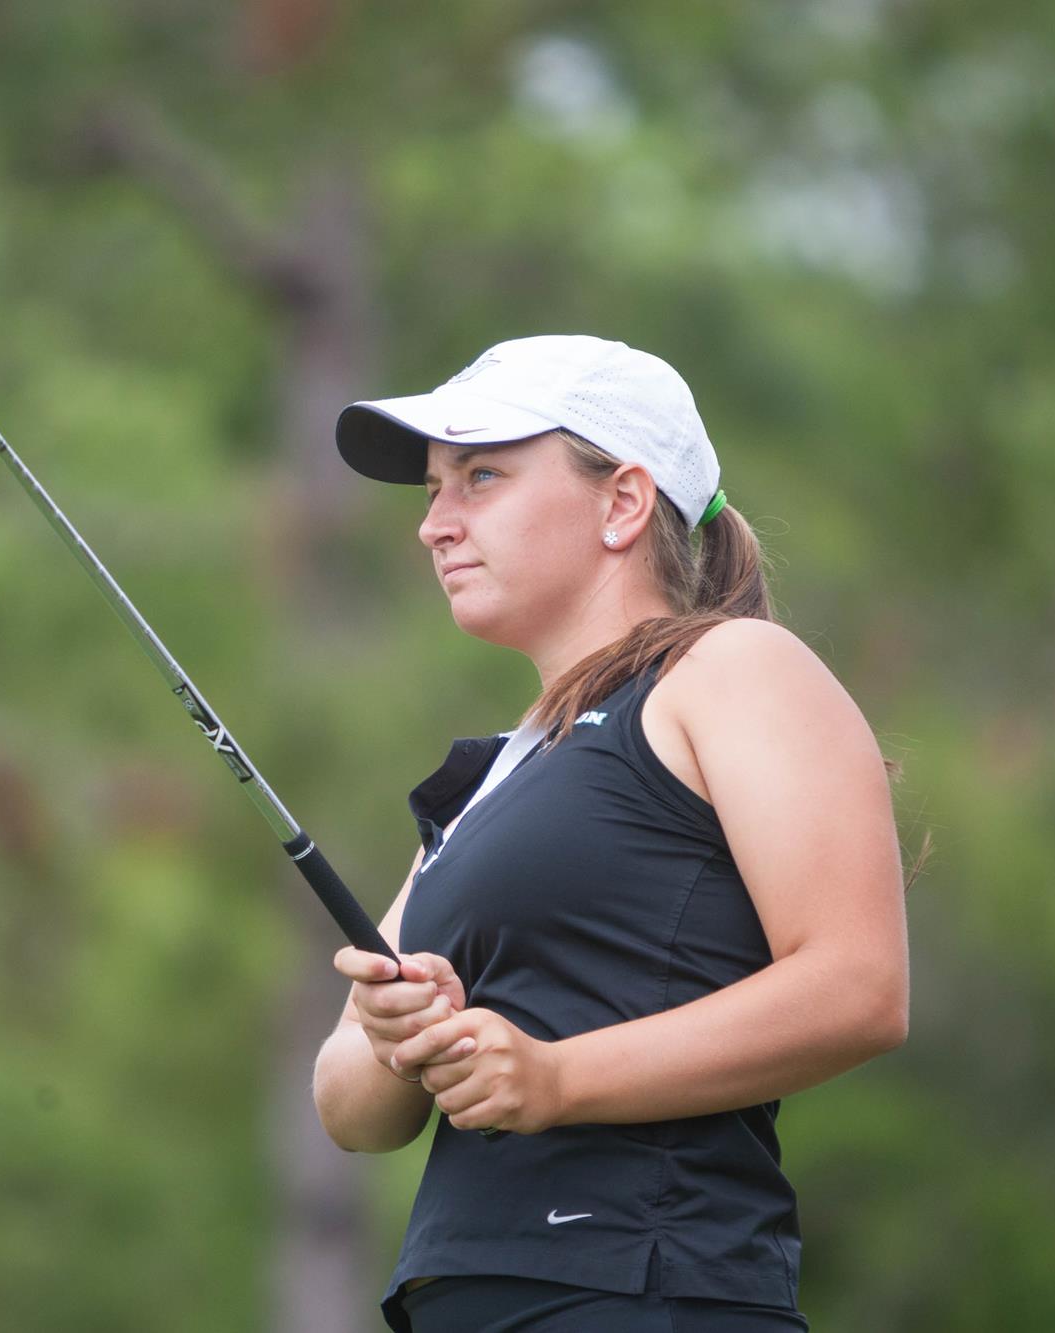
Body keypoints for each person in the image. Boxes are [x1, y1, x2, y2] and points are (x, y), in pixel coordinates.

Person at [310, 335, 916, 1332]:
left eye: (481, 475)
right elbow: (349, 1107)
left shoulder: (731, 669)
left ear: (622, 503)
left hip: (644, 1288)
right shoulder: (494, 774)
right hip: (469, 1297)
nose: (433, 524)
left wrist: (552, 1076)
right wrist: (394, 1037)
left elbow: (859, 987)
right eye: (431, 488)